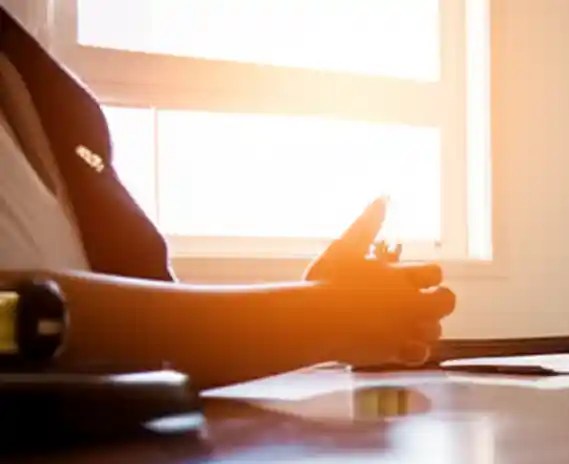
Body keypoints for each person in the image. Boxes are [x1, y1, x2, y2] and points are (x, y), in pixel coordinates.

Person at [0, 6, 455, 390]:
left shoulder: (30, 77)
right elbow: (16, 320)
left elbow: (150, 355)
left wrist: (315, 314)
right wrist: (321, 317)